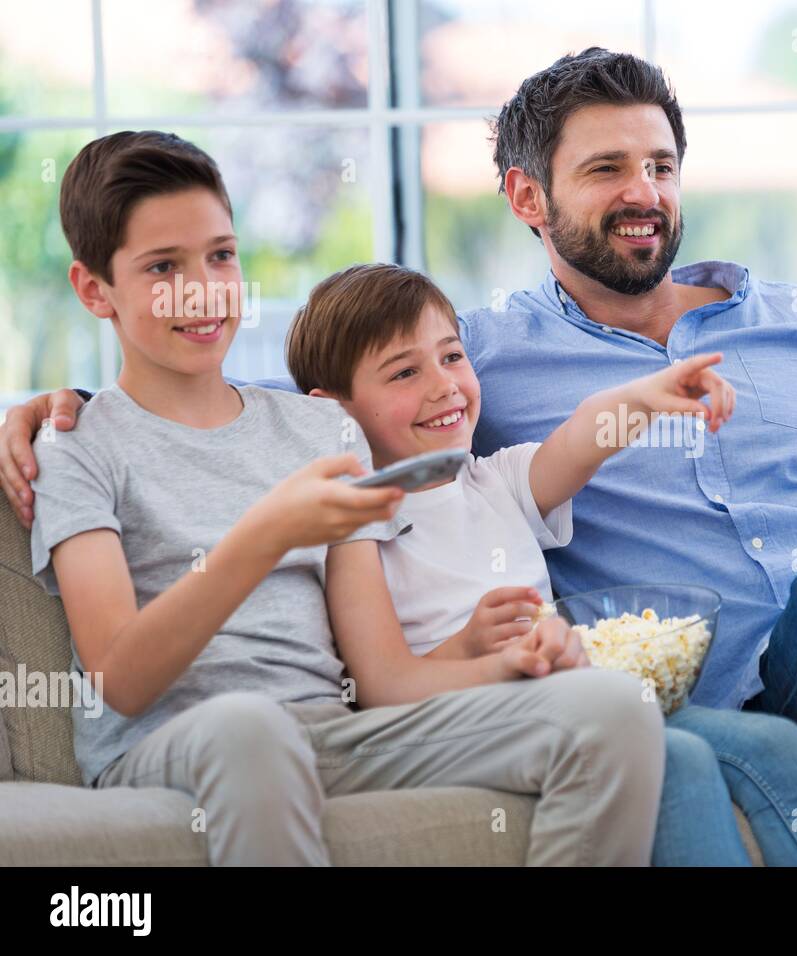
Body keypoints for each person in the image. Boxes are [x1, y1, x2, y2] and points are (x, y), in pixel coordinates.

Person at [6, 51, 797, 865]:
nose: (644, 190)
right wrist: (52, 403)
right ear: (526, 199)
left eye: (663, 165)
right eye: (607, 166)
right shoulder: (482, 362)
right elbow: (302, 373)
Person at [21, 129, 665, 866]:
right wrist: (265, 532)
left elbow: (386, 679)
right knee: (249, 730)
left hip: (333, 735)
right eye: (164, 266)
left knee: (612, 708)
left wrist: (521, 666)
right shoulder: (77, 444)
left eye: (221, 255)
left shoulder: (323, 429)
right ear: (93, 289)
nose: (204, 290)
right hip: (174, 745)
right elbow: (121, 680)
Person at [283, 261, 797, 866]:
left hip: (581, 701)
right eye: (405, 371)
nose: (444, 385)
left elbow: (581, 439)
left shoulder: (495, 481)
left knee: (773, 739)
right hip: (477, 722)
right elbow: (382, 687)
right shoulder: (353, 523)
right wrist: (475, 648)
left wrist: (646, 395)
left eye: (452, 356)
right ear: (332, 413)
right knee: (682, 761)